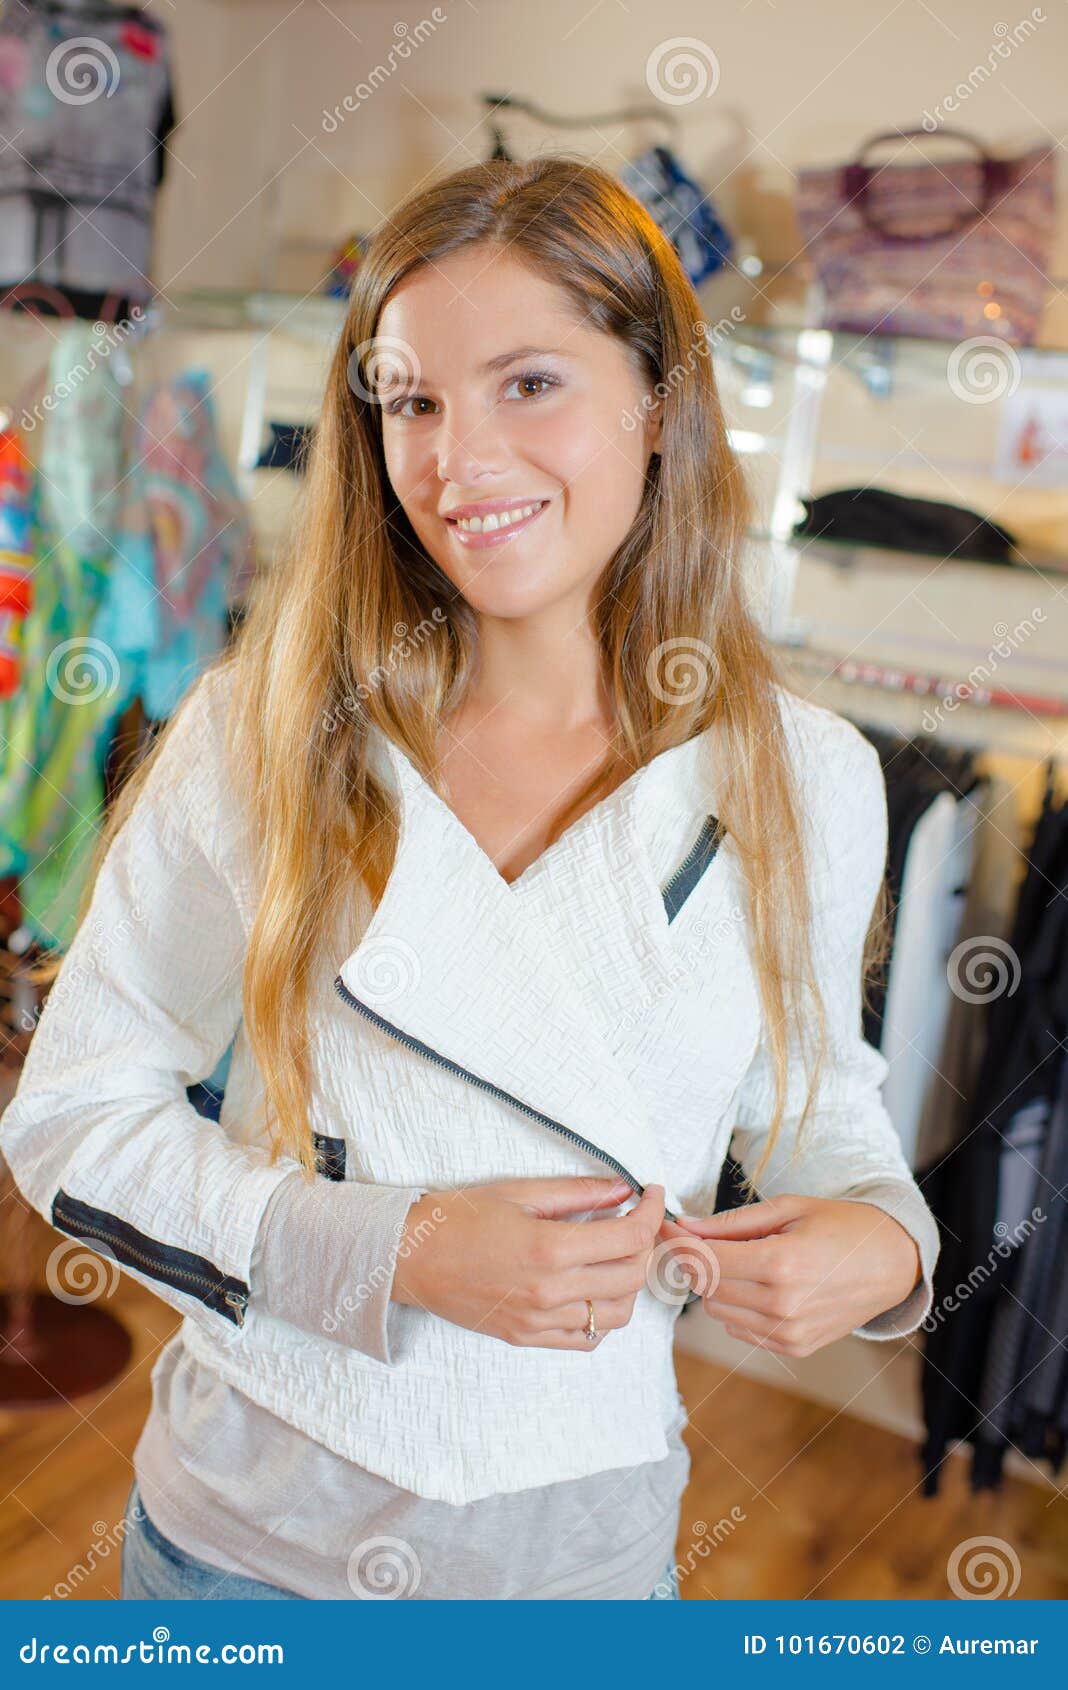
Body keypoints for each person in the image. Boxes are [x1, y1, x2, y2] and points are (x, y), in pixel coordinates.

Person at [0, 156, 939, 1602]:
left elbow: (820, 1118)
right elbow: (74, 1118)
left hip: (582, 1554)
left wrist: (883, 1240)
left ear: (659, 400)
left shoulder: (801, 775)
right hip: (243, 1545)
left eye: (529, 383)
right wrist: (395, 1248)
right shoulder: (263, 731)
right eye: (412, 399)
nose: (457, 459)